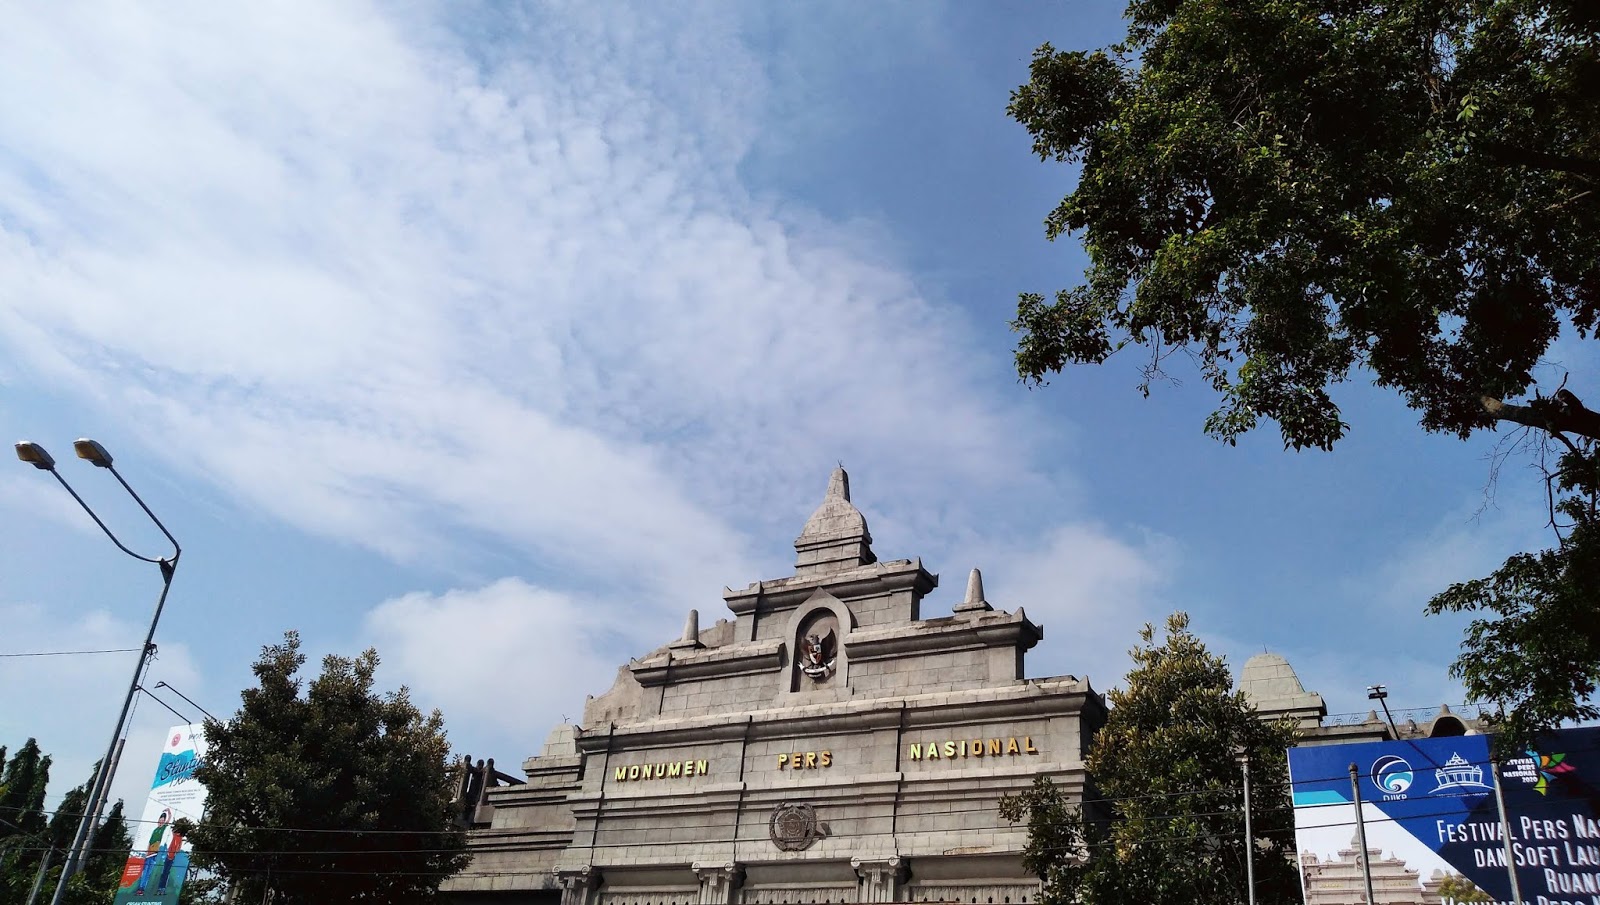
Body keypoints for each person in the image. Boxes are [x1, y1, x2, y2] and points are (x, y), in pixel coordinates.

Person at [134, 809, 171, 896]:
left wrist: (168, 811)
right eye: (160, 820)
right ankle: (140, 889)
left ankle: (145, 889)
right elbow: (150, 842)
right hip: (149, 854)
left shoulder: (162, 829)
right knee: (145, 871)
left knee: (149, 872)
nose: (160, 822)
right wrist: (147, 852)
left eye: (162, 821)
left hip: (155, 853)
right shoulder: (155, 830)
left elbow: (169, 819)